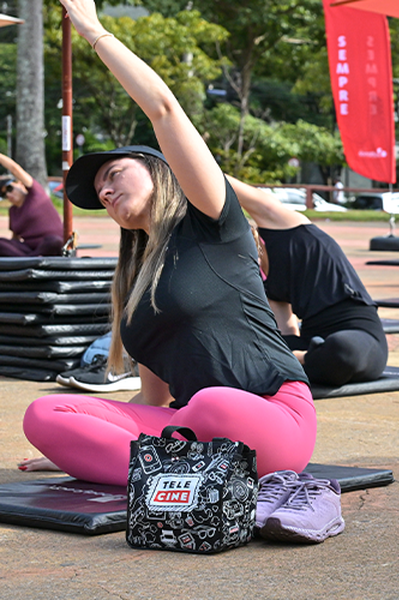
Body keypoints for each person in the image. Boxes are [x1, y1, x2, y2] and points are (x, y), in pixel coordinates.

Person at [19, 0, 315, 492]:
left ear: (159, 172)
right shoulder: (138, 291)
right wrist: (85, 444)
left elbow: (162, 107)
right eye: (100, 194)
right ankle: (167, 472)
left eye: (114, 174)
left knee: (213, 403)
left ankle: (159, 469)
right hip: (189, 431)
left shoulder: (213, 225)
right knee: (45, 414)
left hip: (270, 416)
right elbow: (152, 404)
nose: (106, 192)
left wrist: (92, 29)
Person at [229, 176, 388, 387]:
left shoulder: (287, 227)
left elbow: (219, 181)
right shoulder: (261, 277)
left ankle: (300, 362)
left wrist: (175, 162)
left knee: (343, 350)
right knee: (240, 348)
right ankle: (302, 362)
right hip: (312, 341)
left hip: (359, 336)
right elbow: (285, 331)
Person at [0, 151, 64, 257]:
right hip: (29, 250)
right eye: (4, 194)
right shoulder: (13, 211)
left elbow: (15, 169)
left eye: (10, 188)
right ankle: (31, 260)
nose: (9, 194)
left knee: (54, 241)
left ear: (20, 184)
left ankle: (29, 261)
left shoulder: (36, 194)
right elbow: (15, 239)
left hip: (50, 245)